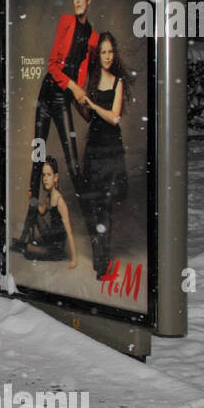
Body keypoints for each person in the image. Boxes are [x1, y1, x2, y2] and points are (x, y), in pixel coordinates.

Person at [14, 0, 99, 252]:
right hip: (46, 96)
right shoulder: (66, 23)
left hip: (63, 100)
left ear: (90, 0)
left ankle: (96, 238)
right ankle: (27, 234)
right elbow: (52, 65)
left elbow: (83, 79)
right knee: (37, 162)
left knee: (74, 168)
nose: (77, 0)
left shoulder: (93, 37)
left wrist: (83, 99)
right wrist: (74, 86)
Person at [80, 32, 130, 279]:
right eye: (104, 52)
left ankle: (103, 261)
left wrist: (94, 105)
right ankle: (98, 251)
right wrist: (81, 102)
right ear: (97, 55)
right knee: (92, 204)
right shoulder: (92, 79)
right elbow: (89, 118)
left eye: (111, 51)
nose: (108, 56)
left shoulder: (118, 81)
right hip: (94, 149)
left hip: (111, 148)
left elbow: (114, 117)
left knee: (106, 206)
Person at [13, 155, 79, 268]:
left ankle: (25, 246)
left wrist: (74, 260)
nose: (45, 178)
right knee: (34, 209)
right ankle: (24, 242)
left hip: (56, 248)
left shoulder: (59, 201)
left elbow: (69, 232)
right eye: (43, 175)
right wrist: (32, 198)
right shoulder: (49, 196)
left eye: (49, 175)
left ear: (56, 177)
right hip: (50, 238)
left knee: (29, 249)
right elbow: (41, 211)